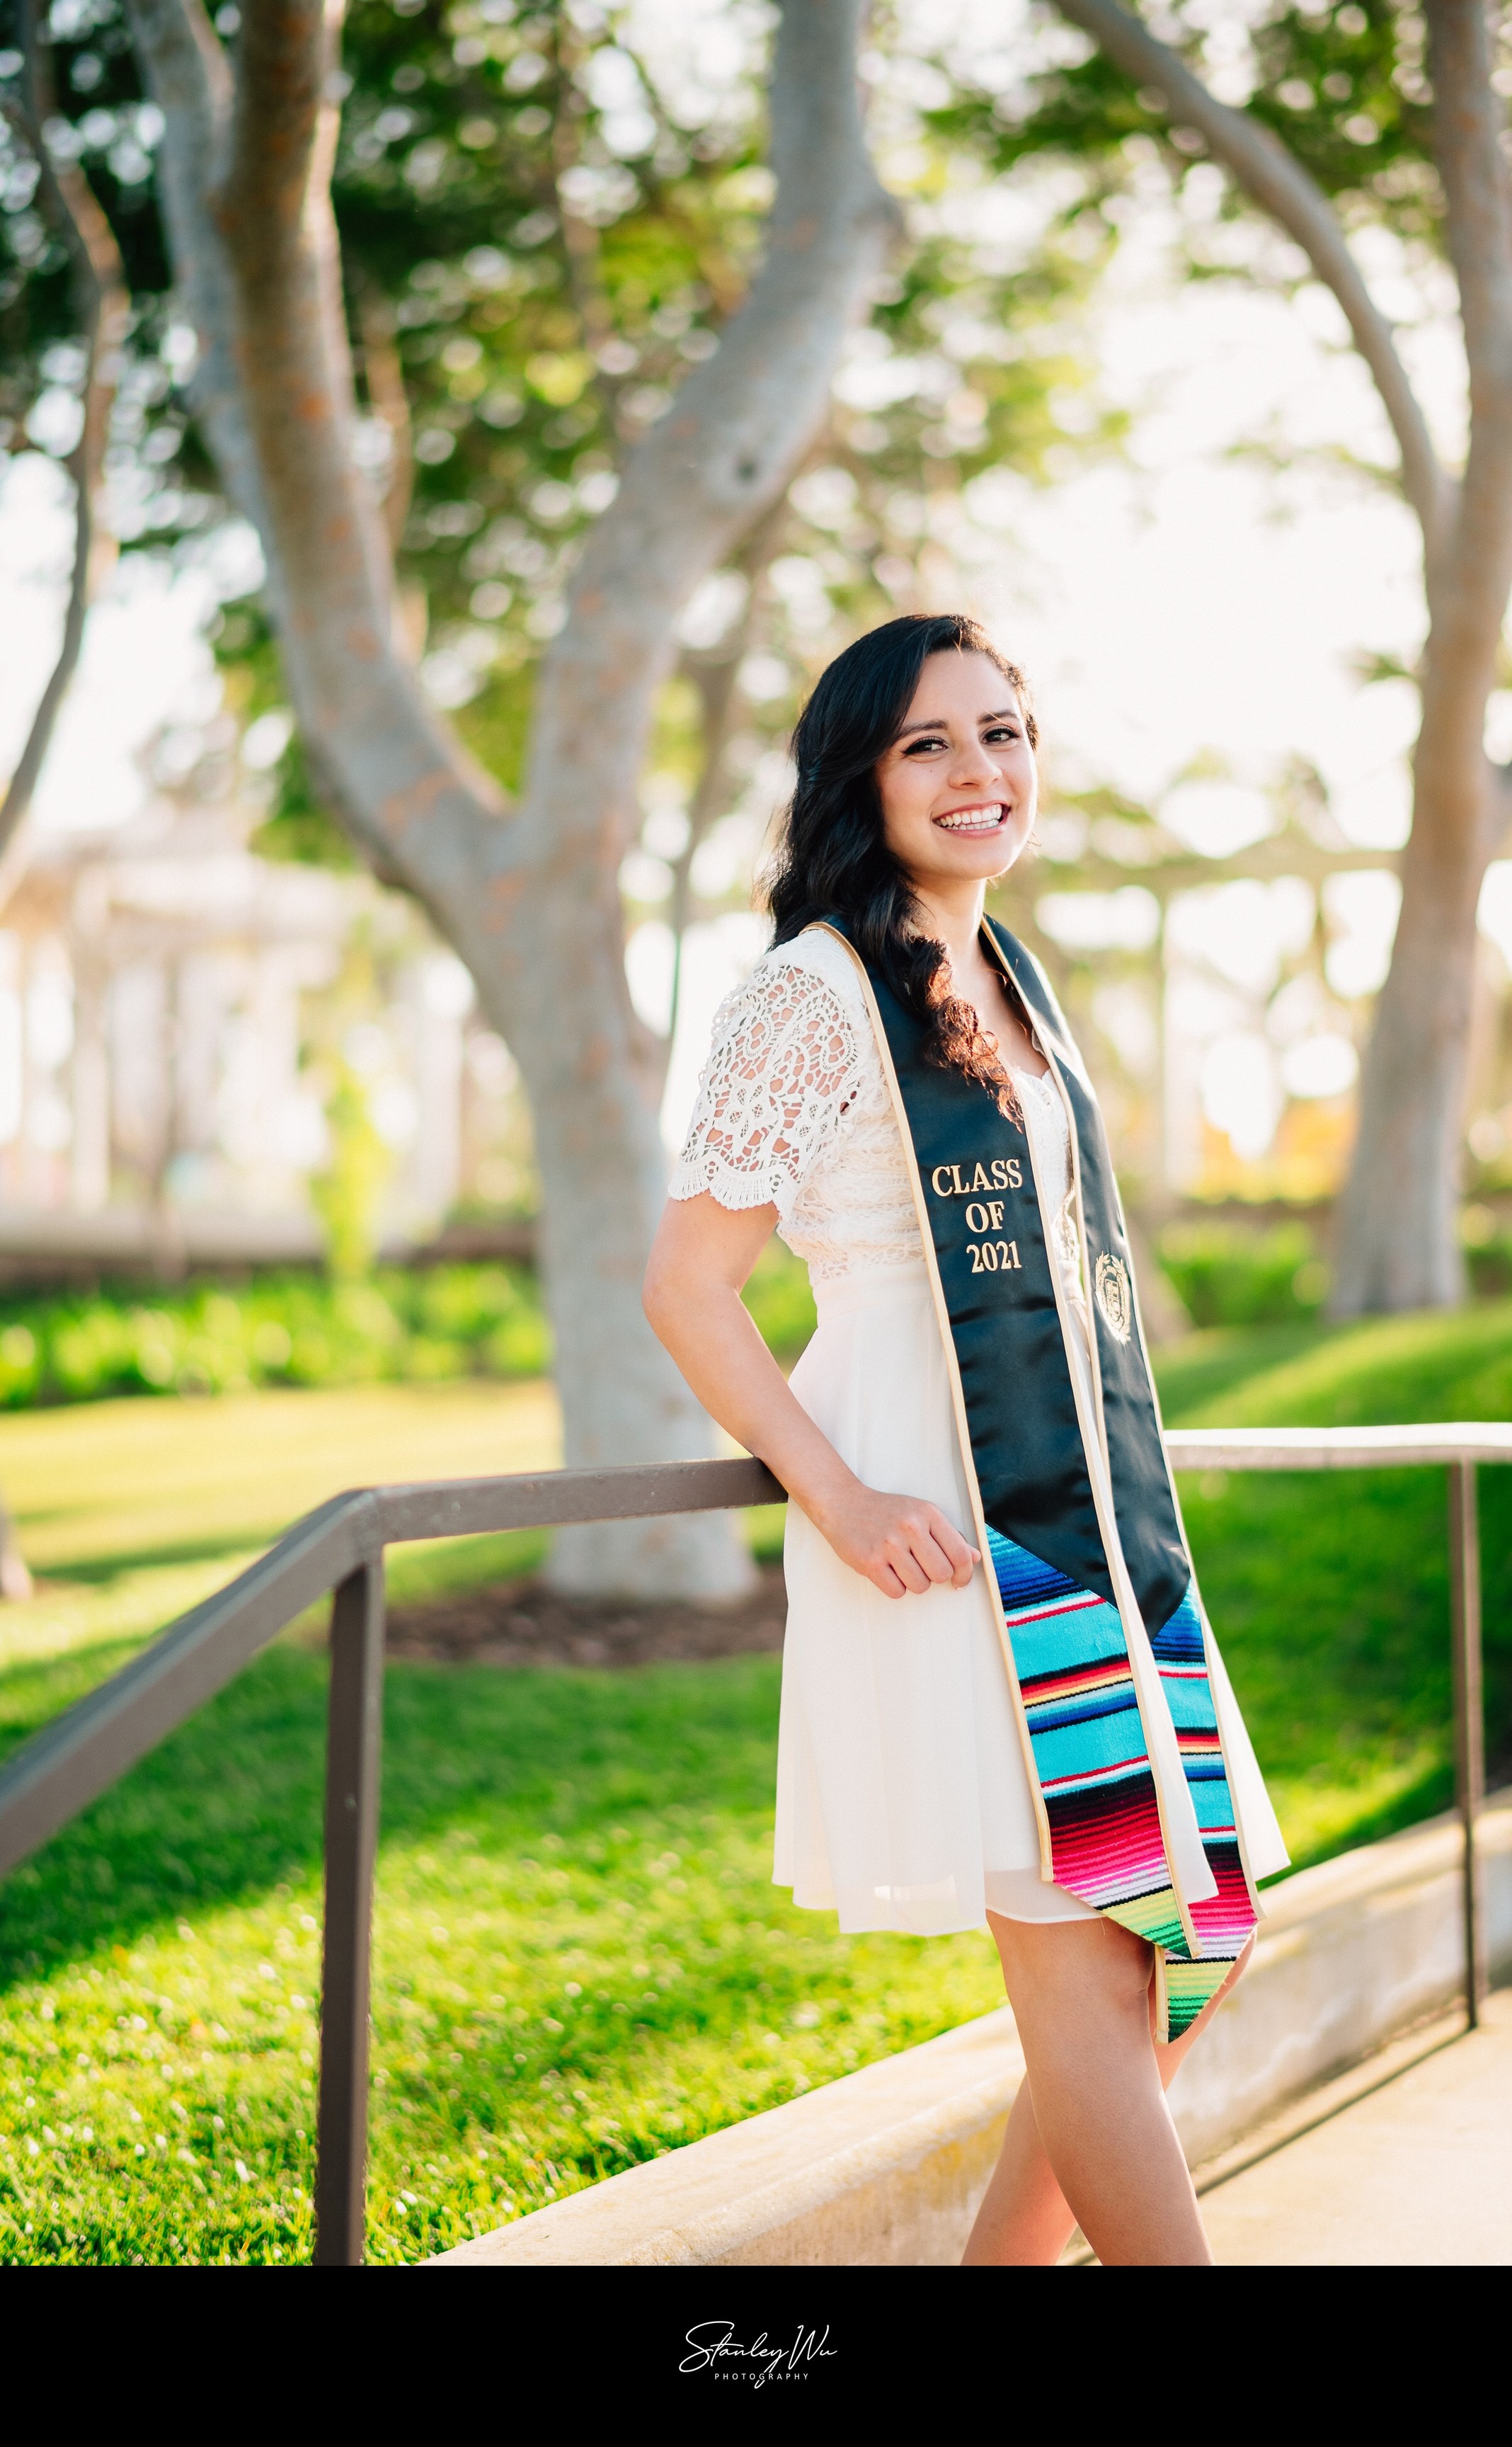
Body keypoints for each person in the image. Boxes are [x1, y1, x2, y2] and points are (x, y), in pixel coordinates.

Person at [643, 613, 1288, 2266]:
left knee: (1165, 1940)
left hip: (1086, 1526)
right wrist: (839, 1495)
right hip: (937, 1531)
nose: (978, 770)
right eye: (930, 742)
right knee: (1088, 1941)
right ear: (862, 777)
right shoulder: (810, 992)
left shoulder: (1010, 977)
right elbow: (690, 1284)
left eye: (1003, 732)